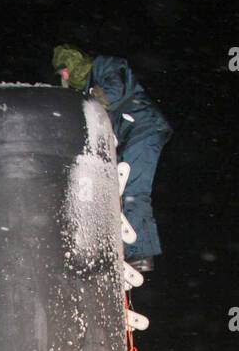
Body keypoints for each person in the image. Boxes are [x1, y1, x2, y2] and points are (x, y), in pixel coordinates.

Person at [52, 45, 172, 271]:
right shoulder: (85, 90)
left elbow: (116, 88)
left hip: (142, 129)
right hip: (129, 136)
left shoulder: (102, 66)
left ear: (74, 63)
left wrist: (89, 100)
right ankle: (117, 247)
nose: (65, 76)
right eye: (61, 74)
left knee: (134, 190)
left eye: (65, 70)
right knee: (113, 191)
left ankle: (140, 252)